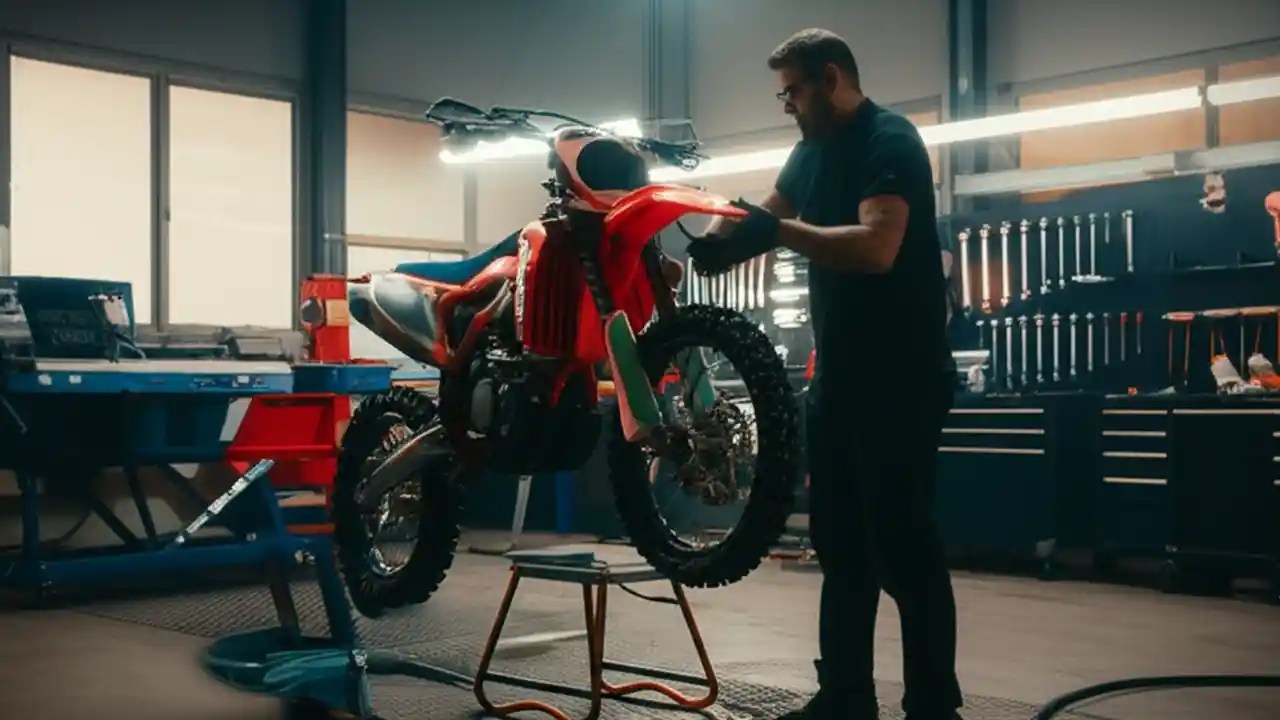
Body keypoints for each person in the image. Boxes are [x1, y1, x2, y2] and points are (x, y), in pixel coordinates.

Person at [687, 28, 962, 720]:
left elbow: (877, 247)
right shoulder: (809, 152)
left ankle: (933, 703)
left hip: (900, 374)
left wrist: (773, 235)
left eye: (793, 92)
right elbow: (768, 212)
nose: (787, 106)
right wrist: (710, 245)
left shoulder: (889, 142)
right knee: (838, 541)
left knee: (900, 539)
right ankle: (845, 695)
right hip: (838, 374)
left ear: (832, 78)